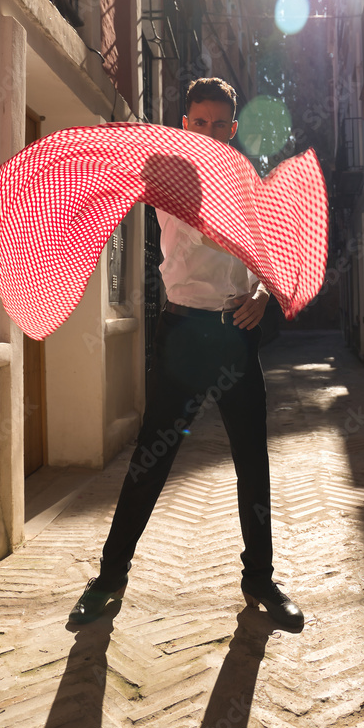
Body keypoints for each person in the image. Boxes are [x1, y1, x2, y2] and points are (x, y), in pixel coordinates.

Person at [69, 77, 303, 630]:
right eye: (199, 122)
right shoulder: (167, 178)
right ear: (185, 125)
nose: (209, 131)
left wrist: (263, 296)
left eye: (220, 124)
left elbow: (269, 253)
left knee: (253, 461)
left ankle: (260, 578)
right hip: (181, 336)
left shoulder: (249, 183)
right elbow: (115, 177)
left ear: (234, 128)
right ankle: (108, 577)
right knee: (150, 461)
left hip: (235, 336)